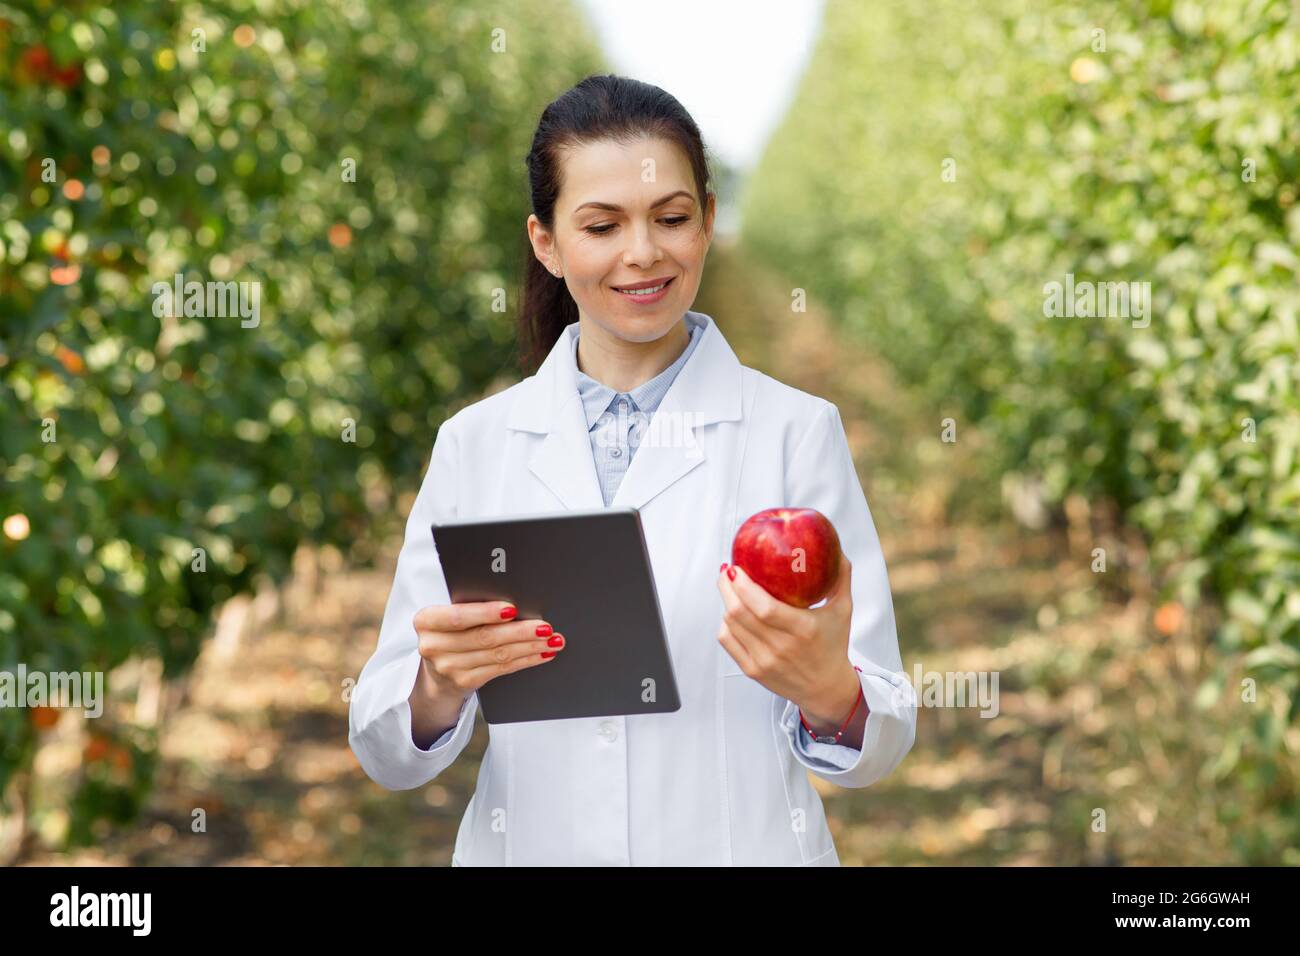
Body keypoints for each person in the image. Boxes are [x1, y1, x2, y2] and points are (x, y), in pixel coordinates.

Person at [348, 74, 915, 866]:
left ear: (709, 221)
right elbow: (385, 750)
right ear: (546, 243)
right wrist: (439, 689)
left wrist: (830, 692)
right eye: (601, 225)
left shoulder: (795, 433)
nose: (642, 253)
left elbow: (882, 732)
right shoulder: (475, 446)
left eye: (672, 218)